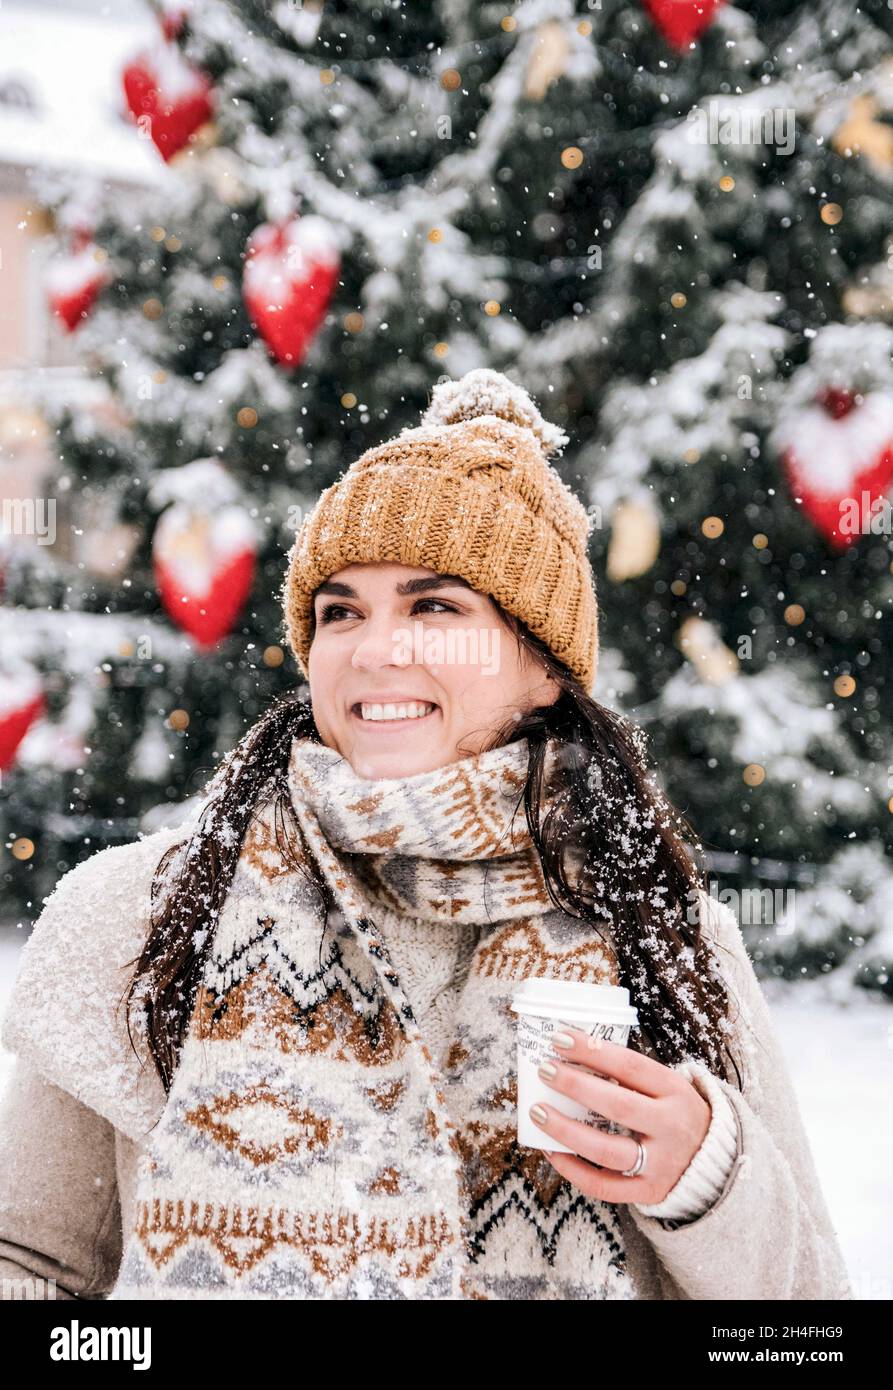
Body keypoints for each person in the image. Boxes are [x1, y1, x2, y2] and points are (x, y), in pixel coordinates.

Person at [0, 369, 852, 1300]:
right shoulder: (143, 915)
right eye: (340, 612)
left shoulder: (666, 936)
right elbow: (33, 1266)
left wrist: (708, 1180)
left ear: (542, 667)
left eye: (435, 607)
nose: (373, 651)